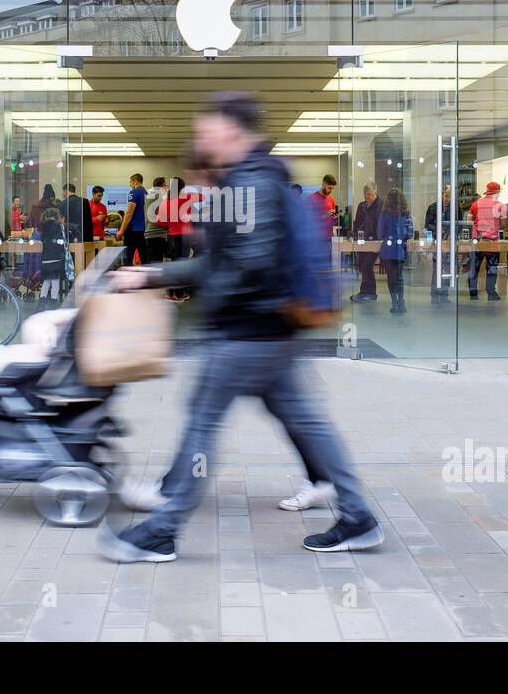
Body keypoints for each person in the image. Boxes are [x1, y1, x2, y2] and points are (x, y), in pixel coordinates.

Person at [97, 90, 384, 563]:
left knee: (201, 425)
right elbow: (231, 257)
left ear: (231, 130)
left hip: (247, 331)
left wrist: (160, 275)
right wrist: (158, 273)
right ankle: (357, 517)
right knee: (307, 423)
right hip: (270, 332)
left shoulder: (249, 182)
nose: (201, 139)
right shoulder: (253, 179)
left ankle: (163, 531)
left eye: (206, 131)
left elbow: (247, 262)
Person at [468, 180, 507, 301]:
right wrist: (494, 228)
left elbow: (469, 223)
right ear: (496, 192)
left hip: (477, 240)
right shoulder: (500, 205)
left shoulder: (475, 204)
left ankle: (473, 293)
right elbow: (504, 224)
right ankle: (491, 293)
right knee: (491, 267)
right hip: (492, 242)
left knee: (474, 266)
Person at [378, 187, 414, 314]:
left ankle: (394, 303)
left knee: (391, 278)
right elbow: (410, 232)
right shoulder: (406, 213)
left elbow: (380, 232)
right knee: (399, 277)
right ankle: (401, 302)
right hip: (400, 249)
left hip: (388, 249)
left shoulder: (384, 213)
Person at [349, 181, 382, 303]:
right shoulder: (361, 206)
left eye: (369, 194)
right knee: (363, 266)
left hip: (375, 241)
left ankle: (369, 293)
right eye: (365, 194)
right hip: (361, 241)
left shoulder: (381, 205)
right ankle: (365, 292)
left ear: (375, 192)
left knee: (367, 266)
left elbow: (381, 224)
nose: (366, 197)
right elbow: (357, 223)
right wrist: (354, 235)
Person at [425, 183, 452, 303]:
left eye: (448, 196)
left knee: (447, 268)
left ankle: (444, 294)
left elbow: (459, 225)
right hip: (437, 242)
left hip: (449, 243)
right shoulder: (433, 208)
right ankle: (435, 293)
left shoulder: (455, 208)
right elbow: (428, 225)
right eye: (444, 196)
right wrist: (437, 230)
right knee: (437, 268)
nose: (446, 199)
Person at [38, 206, 65, 305]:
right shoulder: (57, 226)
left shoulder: (44, 227)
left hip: (45, 259)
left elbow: (43, 240)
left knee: (46, 282)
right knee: (55, 282)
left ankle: (41, 303)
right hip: (56, 259)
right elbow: (60, 241)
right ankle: (53, 303)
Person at [121, 173, 149, 266]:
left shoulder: (134, 193)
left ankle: (127, 279)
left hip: (132, 230)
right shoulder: (146, 193)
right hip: (143, 230)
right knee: (144, 258)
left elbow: (129, 213)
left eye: (130, 182)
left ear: (135, 182)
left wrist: (121, 231)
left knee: (128, 259)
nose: (130, 185)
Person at [144, 176, 170, 264]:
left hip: (148, 232)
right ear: (162, 185)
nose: (167, 187)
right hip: (158, 232)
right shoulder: (162, 195)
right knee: (157, 262)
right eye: (166, 185)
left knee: (152, 262)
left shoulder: (148, 195)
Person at [306, 173, 338, 239]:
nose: (331, 191)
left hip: (329, 238)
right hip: (316, 238)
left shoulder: (331, 200)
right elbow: (308, 220)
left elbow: (332, 221)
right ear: (323, 184)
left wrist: (335, 218)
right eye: (329, 188)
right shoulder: (311, 198)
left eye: (332, 189)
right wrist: (325, 216)